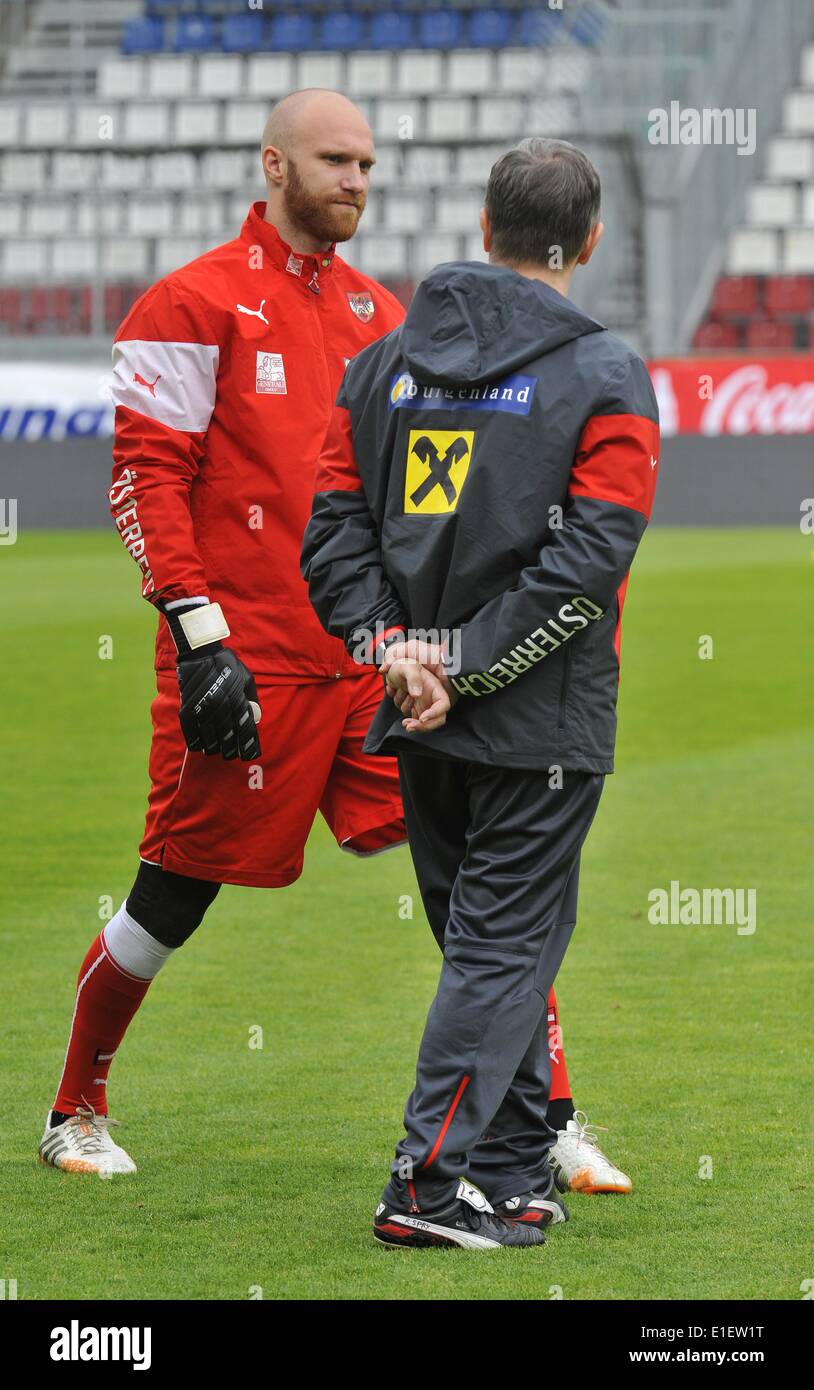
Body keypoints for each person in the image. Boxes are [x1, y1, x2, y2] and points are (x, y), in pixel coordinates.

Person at [37, 89, 408, 1177]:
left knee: (479, 865)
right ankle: (74, 1109)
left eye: (369, 164)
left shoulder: (381, 318)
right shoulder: (188, 301)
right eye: (336, 160)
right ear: (274, 167)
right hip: (244, 661)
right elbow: (148, 477)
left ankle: (548, 1111)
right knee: (173, 895)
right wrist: (200, 635)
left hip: (367, 660)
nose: (356, 181)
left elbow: (396, 499)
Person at [301, 137, 659, 1249]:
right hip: (533, 720)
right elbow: (589, 559)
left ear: (484, 222)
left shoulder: (380, 363)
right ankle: (423, 1186)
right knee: (505, 951)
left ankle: (502, 1173)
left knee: (492, 948)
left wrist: (398, 650)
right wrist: (465, 667)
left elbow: (333, 531)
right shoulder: (604, 372)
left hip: (416, 711)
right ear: (588, 239)